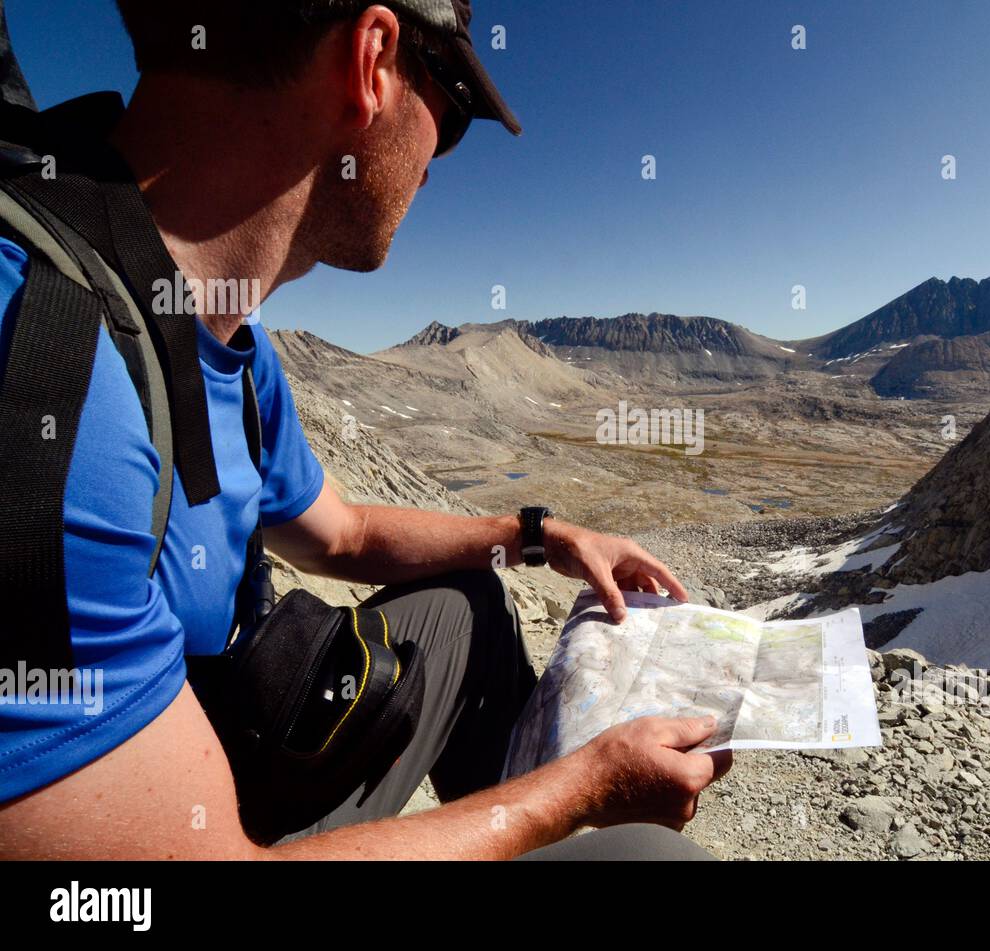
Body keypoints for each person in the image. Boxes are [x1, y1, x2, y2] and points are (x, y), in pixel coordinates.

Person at [0, 0, 726, 860]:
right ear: (371, 60)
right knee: (653, 857)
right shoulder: (55, 384)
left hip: (224, 747)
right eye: (449, 111)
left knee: (473, 601)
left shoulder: (223, 340)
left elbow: (339, 535)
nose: (432, 168)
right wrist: (582, 789)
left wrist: (537, 537)